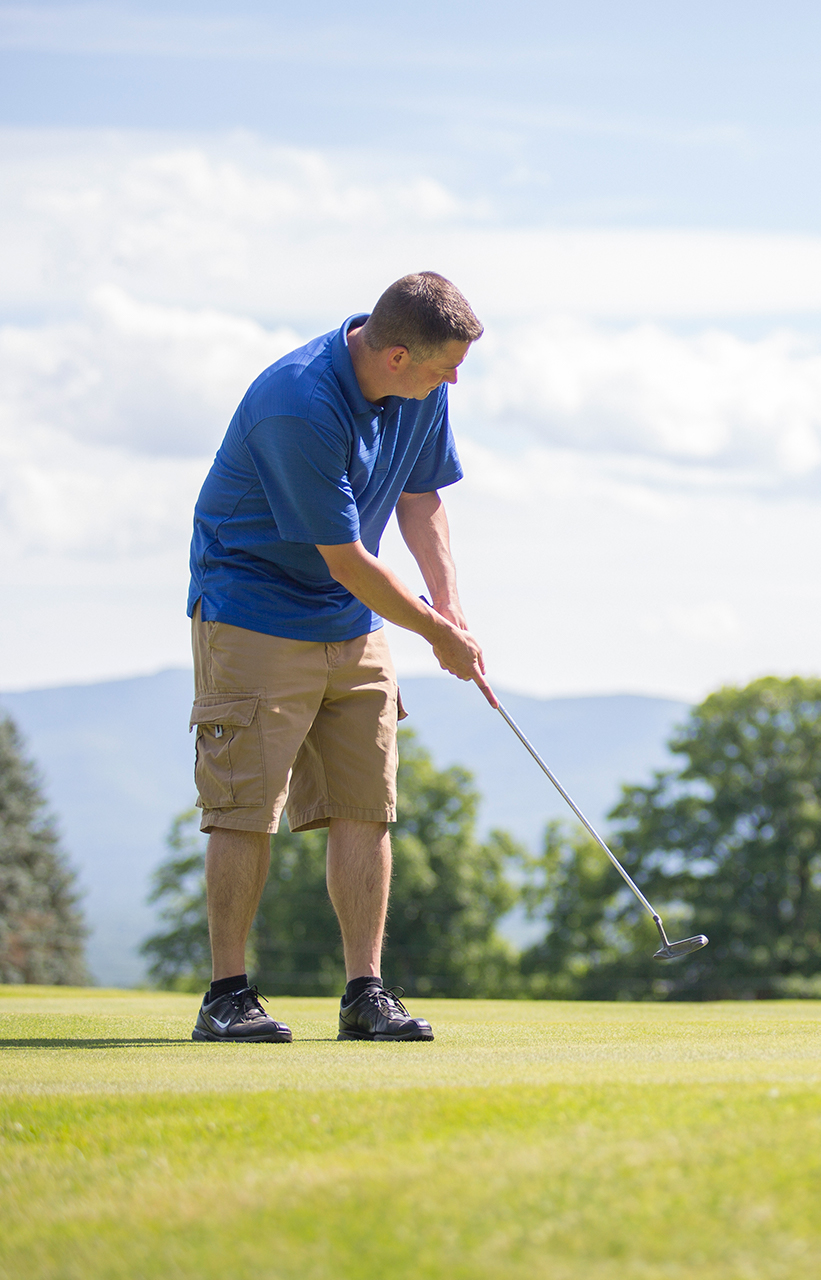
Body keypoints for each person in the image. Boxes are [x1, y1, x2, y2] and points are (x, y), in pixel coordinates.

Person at [184, 271, 493, 1043]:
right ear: (395, 356)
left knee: (366, 802)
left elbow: (422, 500)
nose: (453, 378)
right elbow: (346, 557)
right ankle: (226, 995)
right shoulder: (298, 403)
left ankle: (366, 993)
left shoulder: (424, 389)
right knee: (244, 807)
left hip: (354, 617)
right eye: (442, 366)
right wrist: (435, 635)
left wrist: (448, 604)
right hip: (254, 606)